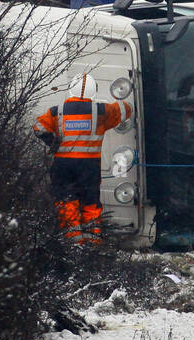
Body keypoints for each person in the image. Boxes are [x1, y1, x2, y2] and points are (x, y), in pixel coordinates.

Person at [34, 73, 134, 244]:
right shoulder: (101, 111)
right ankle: (93, 243)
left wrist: (53, 142)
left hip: (63, 165)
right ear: (93, 92)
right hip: (89, 166)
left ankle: (73, 243)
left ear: (71, 90)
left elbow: (38, 127)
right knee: (91, 203)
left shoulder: (56, 111)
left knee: (66, 201)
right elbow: (125, 109)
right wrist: (124, 95)